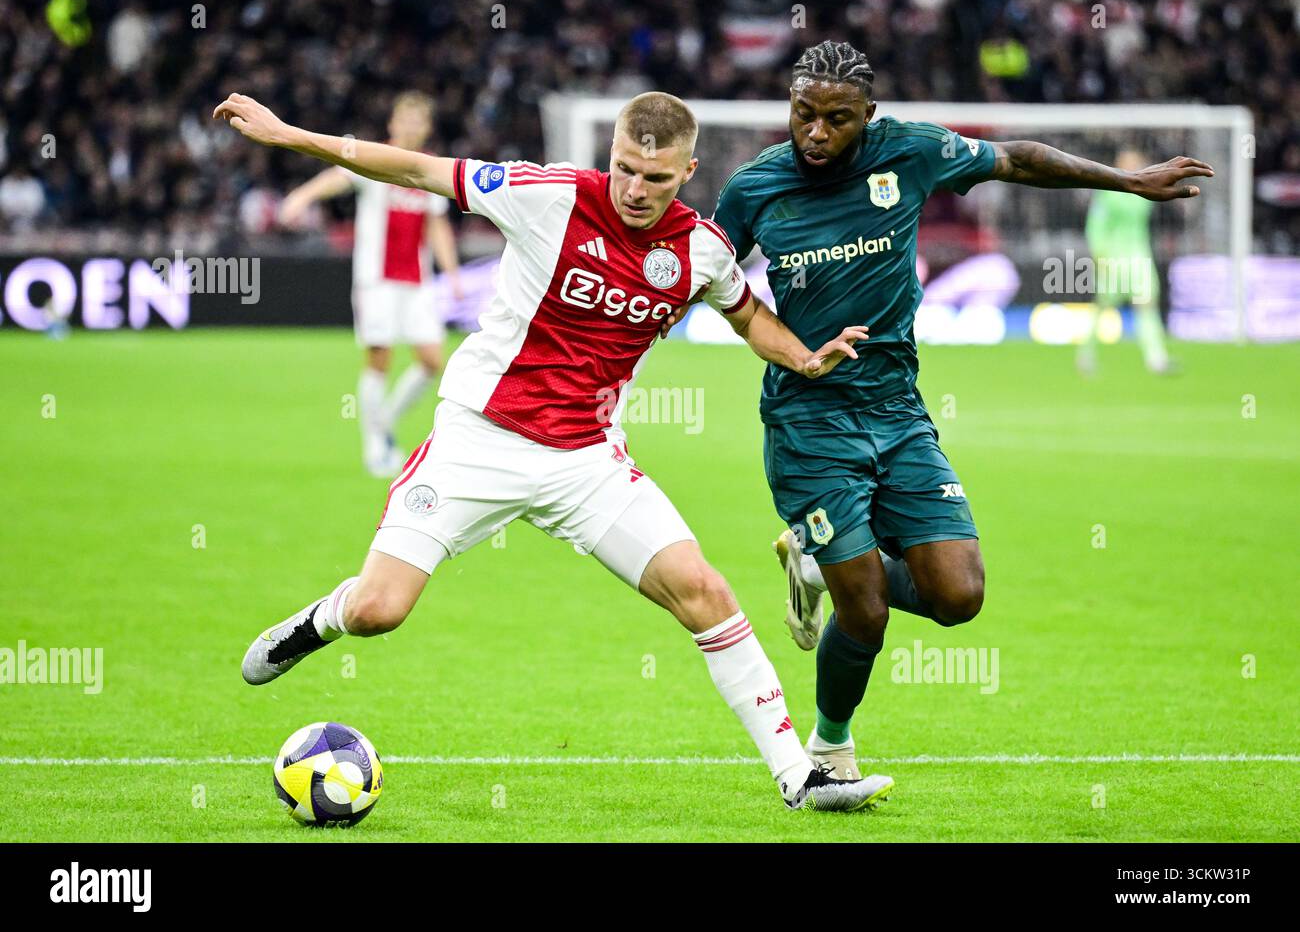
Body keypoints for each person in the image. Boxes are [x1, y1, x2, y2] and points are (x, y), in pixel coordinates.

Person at [215, 88, 890, 812]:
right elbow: (416, 170)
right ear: (611, 155)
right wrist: (293, 134)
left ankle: (802, 776)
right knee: (380, 610)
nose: (635, 189)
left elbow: (747, 313)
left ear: (689, 170)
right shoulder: (548, 195)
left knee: (706, 593)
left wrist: (805, 359)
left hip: (585, 462)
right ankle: (318, 621)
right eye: (625, 168)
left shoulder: (700, 251)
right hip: (478, 440)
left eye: (655, 178)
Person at [710, 40, 1212, 781]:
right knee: (868, 612)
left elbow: (1017, 157)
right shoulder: (756, 188)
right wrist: (794, 351)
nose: (816, 134)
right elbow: (716, 283)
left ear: (869, 116)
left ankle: (818, 566)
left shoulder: (909, 151)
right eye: (803, 116)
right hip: (809, 421)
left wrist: (1126, 183)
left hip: (897, 408)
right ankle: (829, 749)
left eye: (837, 120)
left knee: (957, 596)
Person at [279, 92, 463, 476]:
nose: (411, 127)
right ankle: (375, 444)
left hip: (417, 282)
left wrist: (452, 272)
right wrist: (303, 196)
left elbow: (437, 225)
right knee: (380, 357)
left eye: (418, 121)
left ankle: (385, 423)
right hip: (376, 280)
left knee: (432, 361)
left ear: (427, 128)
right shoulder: (377, 159)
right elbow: (337, 176)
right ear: (392, 124)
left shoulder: (430, 169)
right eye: (405, 119)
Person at [1078, 149, 1174, 376]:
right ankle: (1086, 352)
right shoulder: (1108, 193)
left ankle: (1156, 358)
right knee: (1103, 306)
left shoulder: (1144, 192)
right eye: (1127, 162)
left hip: (1139, 256)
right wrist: (1098, 252)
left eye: (1135, 162)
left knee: (1147, 305)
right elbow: (1095, 225)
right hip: (1113, 257)